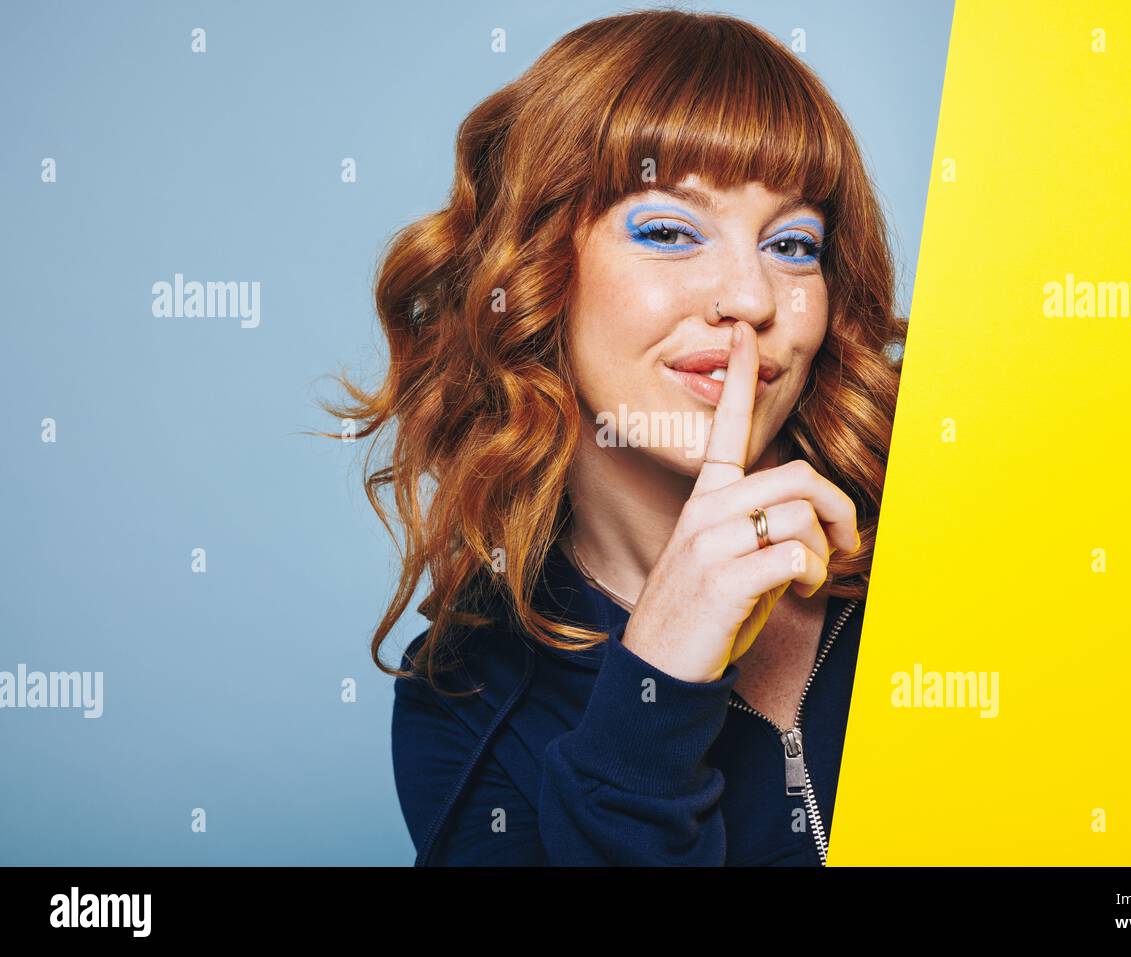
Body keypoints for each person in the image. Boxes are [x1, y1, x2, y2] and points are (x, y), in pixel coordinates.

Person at [321, 8, 905, 865]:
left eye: (792, 243)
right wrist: (654, 697)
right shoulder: (468, 700)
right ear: (534, 273)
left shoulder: (947, 537)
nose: (749, 296)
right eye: (669, 230)